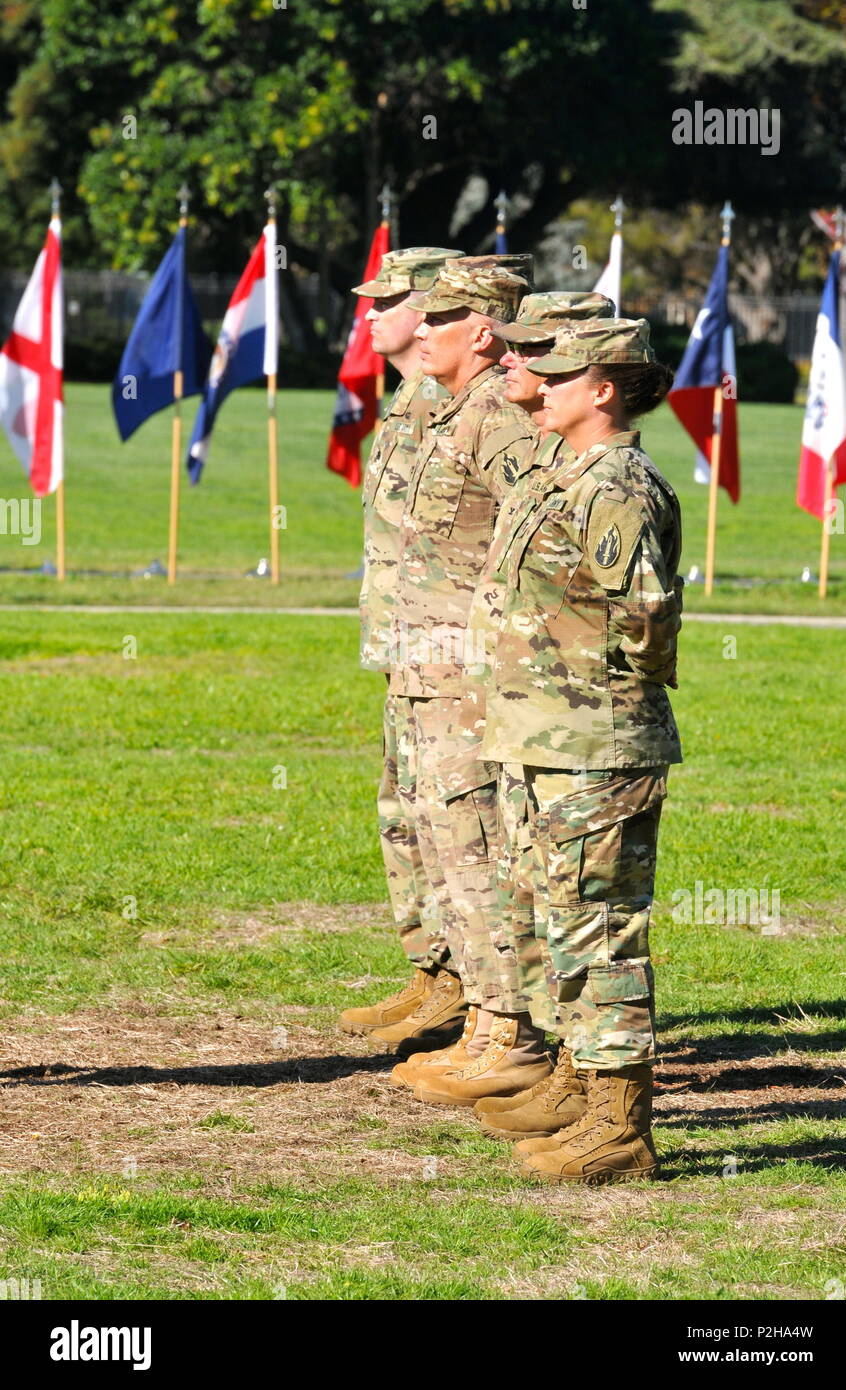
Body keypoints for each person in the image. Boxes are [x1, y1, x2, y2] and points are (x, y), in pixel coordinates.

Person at [476, 318, 683, 1182]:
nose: (537, 380)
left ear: (604, 389)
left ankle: (620, 1126)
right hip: (543, 737)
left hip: (593, 741)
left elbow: (644, 616)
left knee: (599, 928)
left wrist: (593, 694)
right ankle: (577, 1081)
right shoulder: (562, 471)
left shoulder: (617, 483)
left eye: (559, 372)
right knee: (561, 918)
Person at [378, 256, 552, 1104]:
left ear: (480, 331)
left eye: (437, 317)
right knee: (451, 846)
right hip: (424, 664)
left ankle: (510, 1031)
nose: (416, 327)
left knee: (481, 848)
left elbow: (534, 544)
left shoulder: (499, 422)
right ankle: (485, 1019)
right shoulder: (452, 410)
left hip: (469, 674)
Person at [338, 248, 465, 1041]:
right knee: (406, 816)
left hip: (457, 658)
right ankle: (434, 972)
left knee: (457, 826)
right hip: (405, 647)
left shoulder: (470, 408)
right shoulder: (409, 402)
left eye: (384, 301)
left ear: (425, 311)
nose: (368, 314)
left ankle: (475, 995)